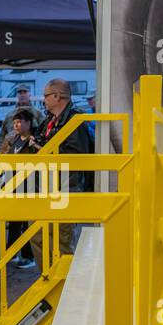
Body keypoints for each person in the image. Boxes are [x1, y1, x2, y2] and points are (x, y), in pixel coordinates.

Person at [34, 77, 91, 259]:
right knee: (38, 235)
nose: (44, 100)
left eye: (46, 96)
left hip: (65, 187)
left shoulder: (75, 120)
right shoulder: (49, 120)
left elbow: (77, 154)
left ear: (57, 96)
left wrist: (46, 150)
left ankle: (64, 284)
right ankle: (48, 277)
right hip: (45, 186)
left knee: (62, 241)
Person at [0, 107, 41, 270]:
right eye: (14, 122)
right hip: (14, 184)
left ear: (28, 123)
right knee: (15, 220)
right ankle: (12, 252)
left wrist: (35, 146)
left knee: (26, 223)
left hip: (30, 186)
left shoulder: (35, 140)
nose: (16, 125)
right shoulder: (13, 139)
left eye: (20, 122)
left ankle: (28, 256)